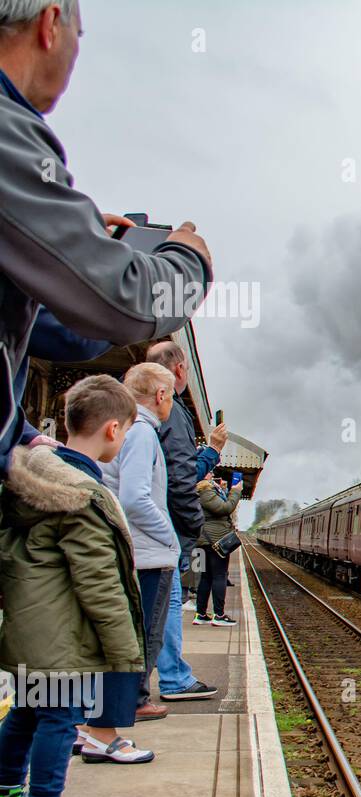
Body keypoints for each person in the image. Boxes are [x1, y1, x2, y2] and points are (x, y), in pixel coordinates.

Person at [0, 0, 213, 474]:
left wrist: (71, 244)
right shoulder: (8, 131)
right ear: (51, 23)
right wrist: (188, 258)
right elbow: (124, 299)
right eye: (83, 34)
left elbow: (66, 335)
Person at [0, 375, 148, 797]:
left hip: (28, 626)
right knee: (60, 720)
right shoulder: (83, 495)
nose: (122, 439)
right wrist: (125, 651)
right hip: (61, 635)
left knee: (25, 713)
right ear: (111, 430)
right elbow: (99, 581)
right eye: (125, 431)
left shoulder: (33, 476)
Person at [143, 340, 222, 701]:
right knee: (167, 602)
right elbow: (181, 476)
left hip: (152, 527)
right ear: (178, 370)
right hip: (165, 528)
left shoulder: (142, 416)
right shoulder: (171, 412)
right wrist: (189, 527)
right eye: (186, 369)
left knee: (152, 604)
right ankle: (172, 680)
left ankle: (140, 687)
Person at [101, 363, 180, 720]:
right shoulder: (143, 433)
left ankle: (120, 705)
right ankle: (133, 702)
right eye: (172, 397)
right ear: (161, 395)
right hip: (147, 555)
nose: (172, 406)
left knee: (133, 632)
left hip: (134, 549)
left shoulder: (125, 430)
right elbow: (134, 498)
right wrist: (170, 539)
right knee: (146, 633)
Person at [195, 471, 242, 626]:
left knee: (205, 577)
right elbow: (224, 509)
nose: (212, 474)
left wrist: (221, 490)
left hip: (202, 542)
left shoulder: (203, 491)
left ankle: (201, 614)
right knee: (219, 576)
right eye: (210, 472)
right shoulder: (204, 490)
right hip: (215, 542)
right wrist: (235, 491)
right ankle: (219, 615)